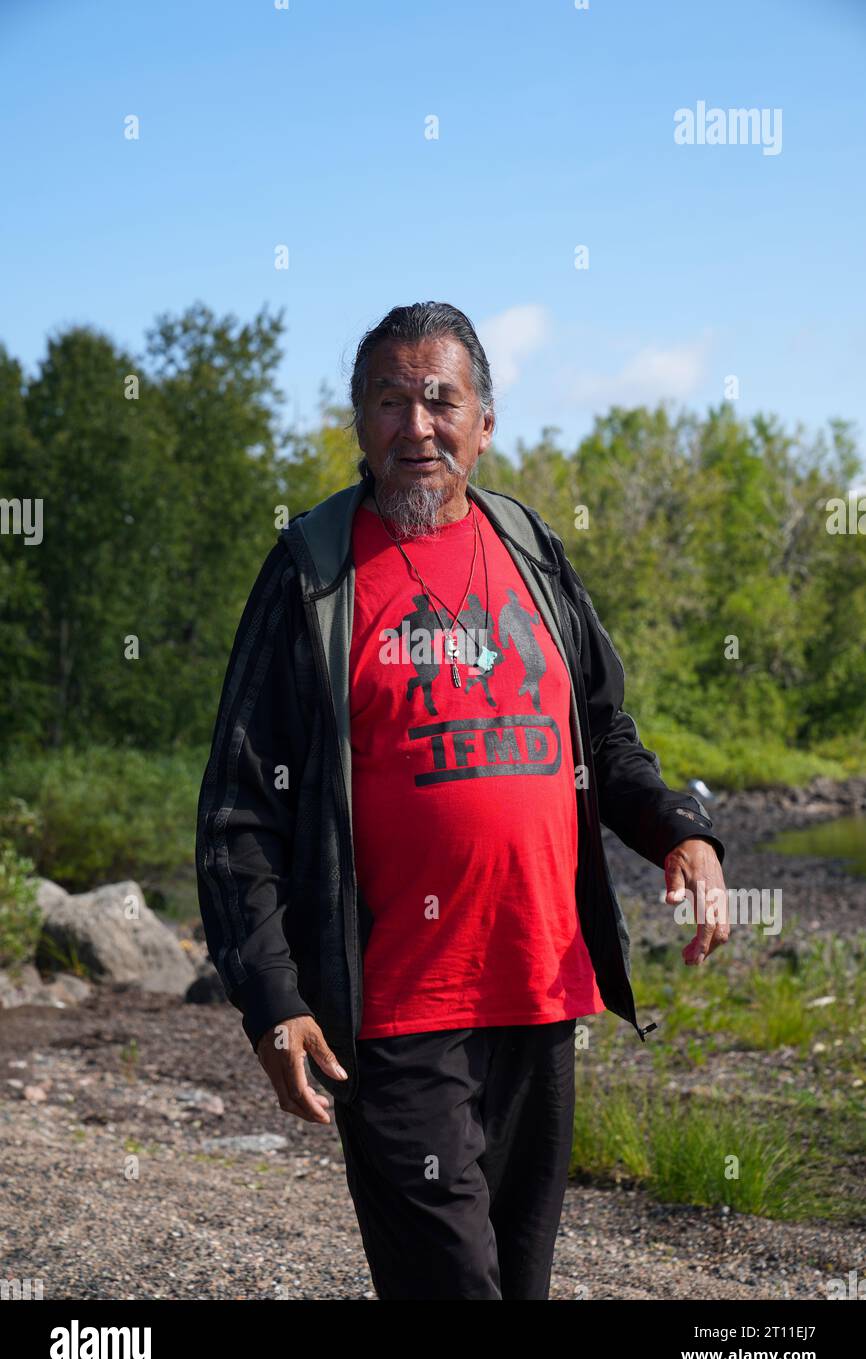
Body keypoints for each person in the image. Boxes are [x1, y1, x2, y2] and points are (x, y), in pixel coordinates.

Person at [195, 301, 729, 1300]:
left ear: (483, 423)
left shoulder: (529, 547)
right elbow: (237, 809)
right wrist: (272, 1000)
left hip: (538, 993)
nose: (416, 424)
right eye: (388, 401)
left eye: (441, 399)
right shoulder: (311, 574)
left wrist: (677, 832)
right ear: (359, 425)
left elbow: (602, 734)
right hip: (394, 1017)